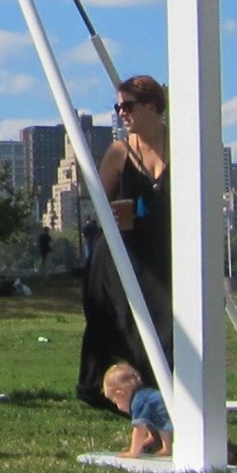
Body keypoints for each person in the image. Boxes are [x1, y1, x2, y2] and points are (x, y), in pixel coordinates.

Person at [76, 75, 172, 412]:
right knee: (120, 323)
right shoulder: (120, 152)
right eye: (118, 107)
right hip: (122, 254)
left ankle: (161, 390)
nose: (122, 113)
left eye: (128, 106)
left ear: (152, 106)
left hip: (162, 252)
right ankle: (117, 394)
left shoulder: (181, 146)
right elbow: (99, 206)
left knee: (166, 321)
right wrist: (120, 216)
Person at [102, 362, 173, 459]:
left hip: (170, 412)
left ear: (121, 394)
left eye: (115, 401)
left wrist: (133, 452)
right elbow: (150, 425)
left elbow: (139, 430)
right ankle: (162, 444)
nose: (117, 406)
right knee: (157, 418)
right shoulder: (145, 396)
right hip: (170, 404)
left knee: (163, 421)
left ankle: (167, 448)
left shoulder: (138, 403)